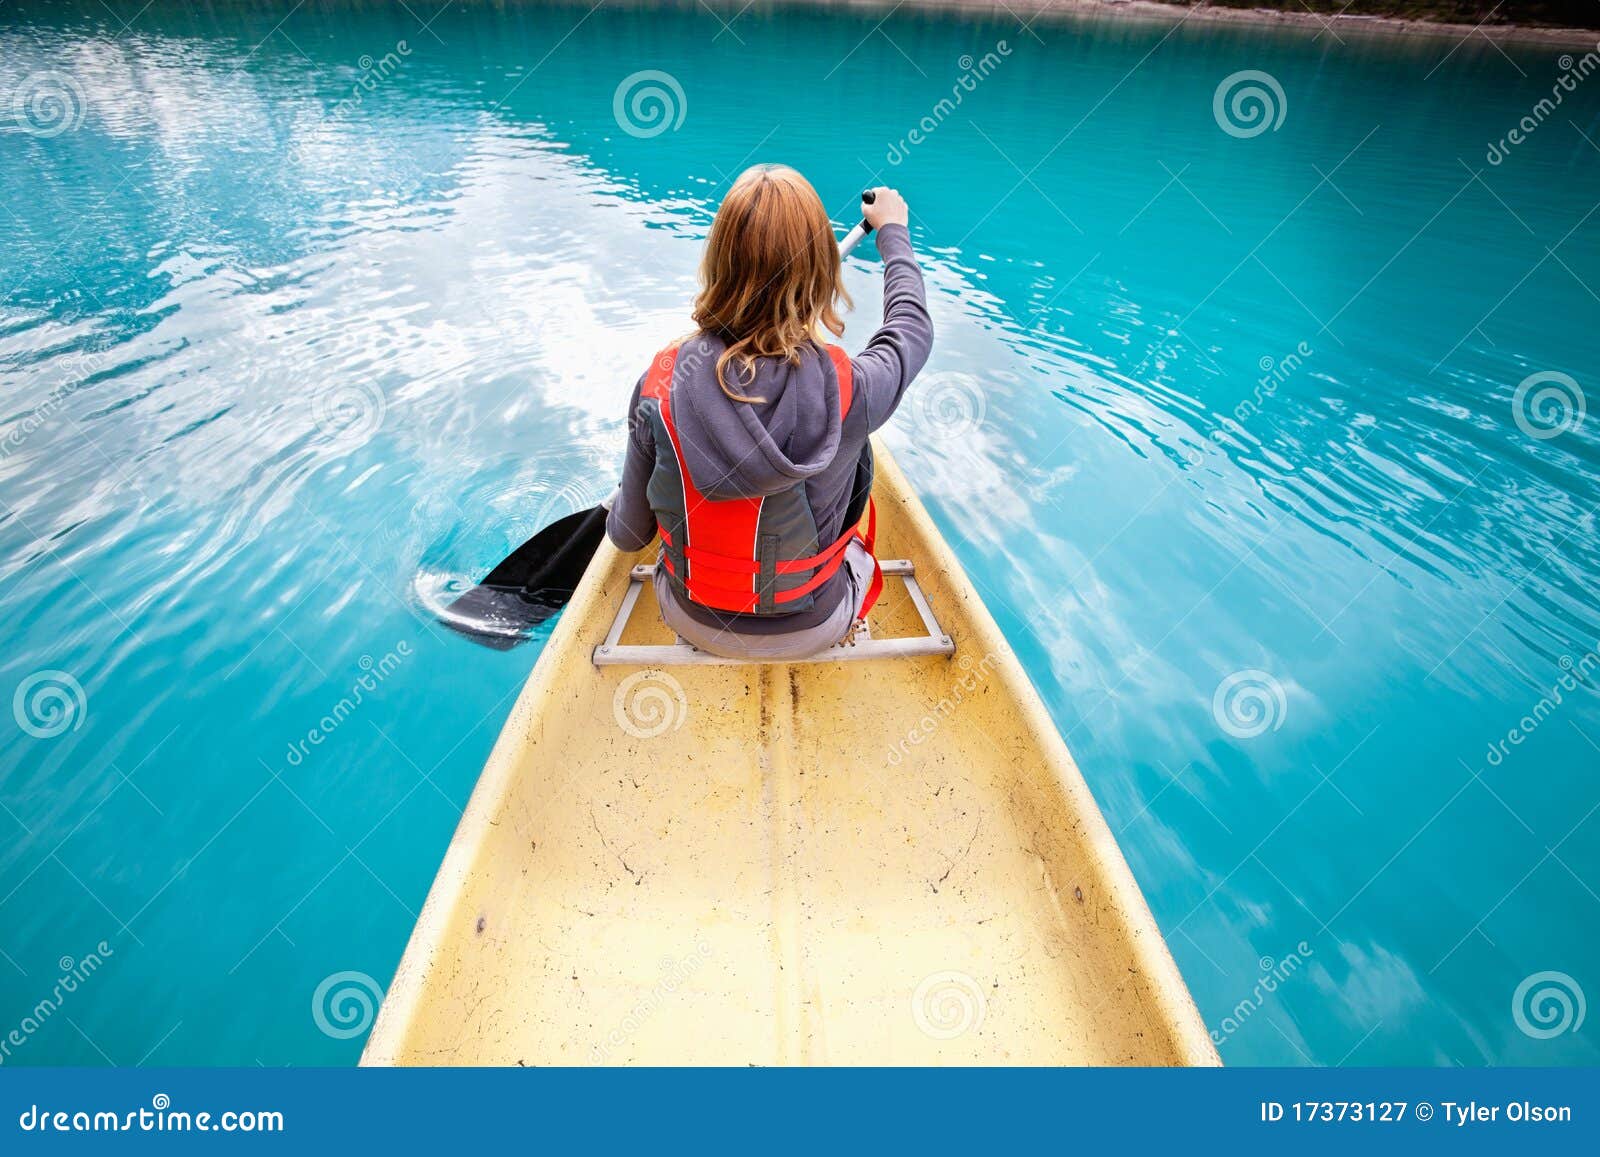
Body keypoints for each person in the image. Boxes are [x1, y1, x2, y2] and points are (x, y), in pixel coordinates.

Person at [606, 165, 932, 660]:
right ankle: (851, 622)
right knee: (859, 471)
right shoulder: (853, 390)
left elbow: (629, 538)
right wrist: (892, 231)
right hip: (815, 624)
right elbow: (909, 329)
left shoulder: (660, 383)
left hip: (691, 618)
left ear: (717, 264)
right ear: (821, 275)